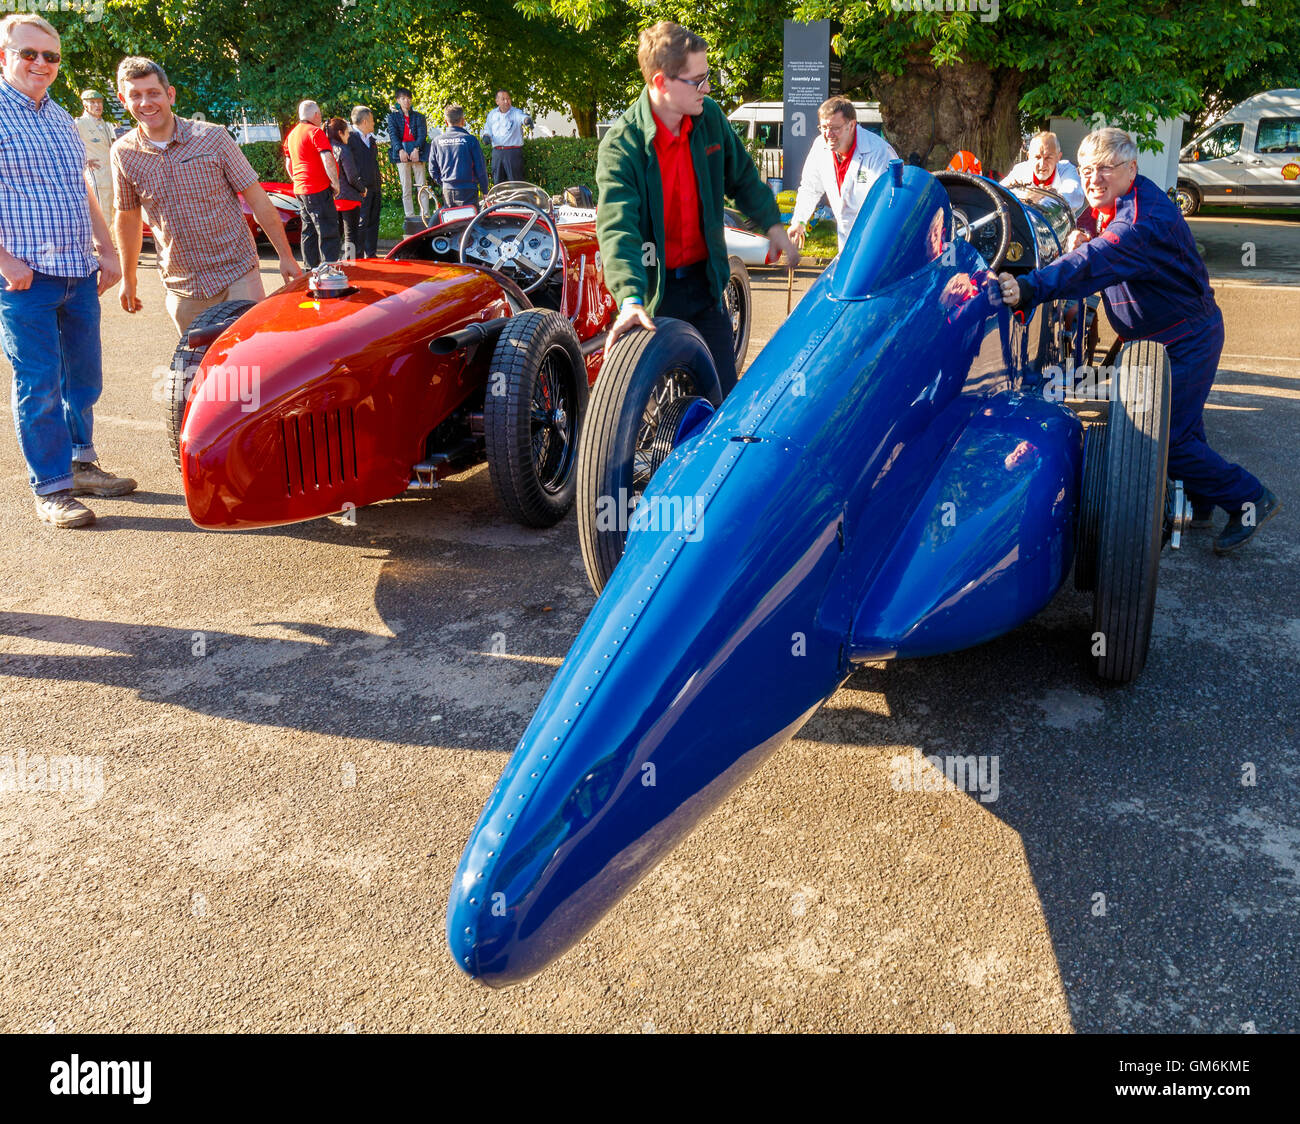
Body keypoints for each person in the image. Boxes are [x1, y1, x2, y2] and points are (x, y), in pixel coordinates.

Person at [993, 127, 1280, 555]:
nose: (1093, 180)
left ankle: (1249, 499)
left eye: (1105, 170)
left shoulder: (1142, 225)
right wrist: (1082, 229)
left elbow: (1093, 261)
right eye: (1087, 170)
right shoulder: (1118, 198)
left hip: (1186, 338)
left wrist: (1030, 287)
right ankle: (1201, 501)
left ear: (1131, 169)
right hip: (1155, 337)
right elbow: (1093, 220)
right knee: (1186, 424)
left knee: (1165, 437)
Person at [597, 21, 800, 395]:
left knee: (721, 397)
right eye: (698, 80)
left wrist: (772, 226)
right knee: (652, 409)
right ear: (661, 83)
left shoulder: (709, 120)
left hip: (706, 287)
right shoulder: (622, 145)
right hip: (654, 294)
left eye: (707, 78)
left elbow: (742, 177)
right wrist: (629, 298)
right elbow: (617, 228)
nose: (707, 88)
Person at [0, 14, 132, 528]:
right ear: (4, 56)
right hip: (25, 278)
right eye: (28, 53)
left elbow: (82, 190)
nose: (40, 63)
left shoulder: (60, 119)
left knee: (84, 377)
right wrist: (6, 262)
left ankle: (81, 463)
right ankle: (51, 488)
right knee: (39, 383)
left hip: (77, 270)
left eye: (50, 56)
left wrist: (107, 249)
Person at [113, 57, 303, 336]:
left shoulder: (213, 138)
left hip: (236, 276)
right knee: (200, 368)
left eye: (153, 93)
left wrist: (285, 256)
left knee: (250, 362)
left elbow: (257, 199)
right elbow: (127, 219)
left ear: (170, 94)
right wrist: (128, 278)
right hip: (182, 287)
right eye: (135, 96)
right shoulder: (123, 153)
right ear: (123, 100)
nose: (145, 103)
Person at [787, 97, 899, 252]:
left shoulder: (878, 152)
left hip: (877, 240)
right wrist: (799, 221)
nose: (828, 134)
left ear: (851, 125)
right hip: (845, 240)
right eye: (824, 127)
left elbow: (888, 201)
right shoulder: (820, 146)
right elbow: (810, 188)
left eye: (835, 128)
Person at [284, 100, 340, 268]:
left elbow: (289, 163)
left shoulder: (292, 135)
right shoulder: (315, 132)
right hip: (317, 188)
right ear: (316, 115)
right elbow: (327, 158)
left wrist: (297, 180)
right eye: (320, 114)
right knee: (327, 230)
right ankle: (329, 270)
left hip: (301, 190)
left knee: (308, 231)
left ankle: (310, 269)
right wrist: (335, 183)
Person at [1001, 130, 1085, 212]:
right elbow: (996, 193)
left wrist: (1041, 197)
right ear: (1028, 156)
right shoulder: (1020, 170)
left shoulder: (1067, 170)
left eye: (1048, 158)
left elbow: (1072, 197)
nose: (1042, 164)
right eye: (1037, 157)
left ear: (1058, 158)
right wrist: (1032, 198)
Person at [76, 87, 116, 241]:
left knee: (112, 212)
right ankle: (101, 249)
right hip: (96, 175)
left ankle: (114, 250)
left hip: (110, 174)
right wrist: (83, 161)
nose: (97, 106)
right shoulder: (80, 123)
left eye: (99, 102)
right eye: (93, 102)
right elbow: (70, 145)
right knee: (101, 212)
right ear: (85, 105)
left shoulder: (105, 124)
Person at [429, 104, 488, 208]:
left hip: (448, 191)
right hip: (469, 190)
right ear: (463, 121)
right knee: (470, 222)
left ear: (446, 122)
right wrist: (485, 190)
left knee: (450, 222)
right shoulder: (470, 140)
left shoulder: (437, 141)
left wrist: (444, 182)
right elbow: (481, 169)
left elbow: (432, 170)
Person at [325, 116, 365, 257]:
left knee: (335, 235)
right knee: (351, 236)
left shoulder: (326, 150)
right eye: (347, 132)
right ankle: (352, 266)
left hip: (333, 198)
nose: (349, 135)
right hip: (348, 198)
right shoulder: (343, 150)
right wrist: (363, 189)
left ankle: (334, 263)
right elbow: (352, 177)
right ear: (340, 133)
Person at [386, 88, 429, 219]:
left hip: (418, 153)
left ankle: (425, 216)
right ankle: (409, 216)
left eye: (408, 98)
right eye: (403, 98)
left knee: (422, 186)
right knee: (406, 188)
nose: (407, 101)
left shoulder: (419, 117)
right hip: (401, 155)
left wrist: (416, 148)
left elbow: (422, 135)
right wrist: (400, 150)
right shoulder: (392, 117)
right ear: (398, 100)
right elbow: (393, 135)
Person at [348, 105, 382, 257]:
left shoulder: (371, 139)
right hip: (360, 189)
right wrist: (359, 186)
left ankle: (371, 254)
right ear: (365, 121)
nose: (374, 123)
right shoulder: (350, 139)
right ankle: (357, 256)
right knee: (360, 224)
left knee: (373, 222)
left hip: (374, 185)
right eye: (372, 120)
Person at [483, 88, 531, 184]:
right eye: (503, 99)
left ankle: (517, 199)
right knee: (498, 184)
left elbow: (522, 117)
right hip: (497, 153)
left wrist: (526, 120)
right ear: (497, 101)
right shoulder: (492, 114)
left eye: (508, 99)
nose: (506, 101)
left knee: (516, 184)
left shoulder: (516, 112)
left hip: (513, 153)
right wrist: (486, 136)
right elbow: (487, 129)